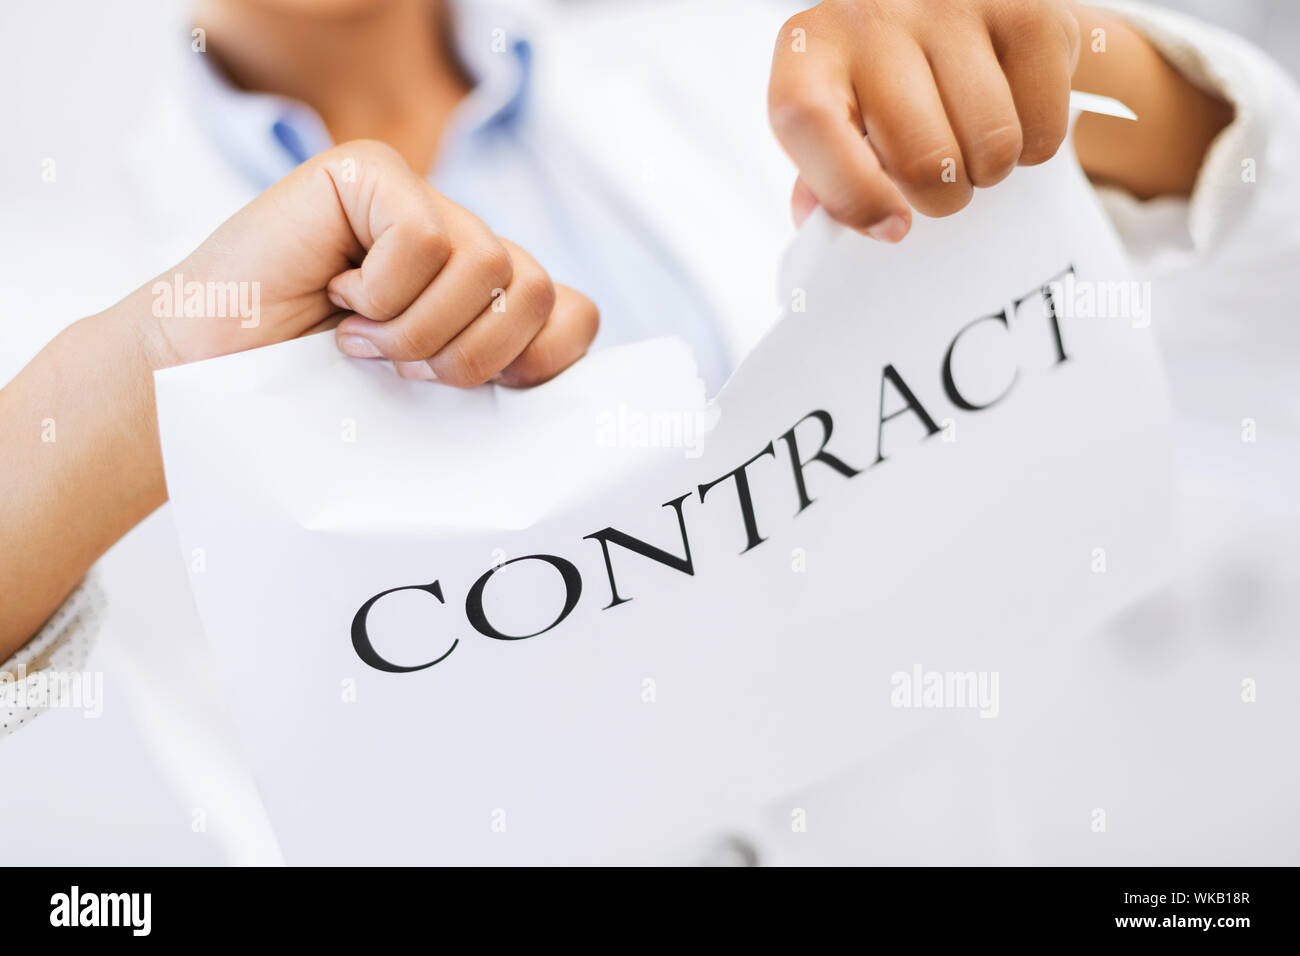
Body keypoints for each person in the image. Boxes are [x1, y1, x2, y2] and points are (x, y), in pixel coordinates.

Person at [2, 0, 1297, 864]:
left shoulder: (739, 45)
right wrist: (151, 365)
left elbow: (1263, 303)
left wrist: (1074, 59)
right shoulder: (59, 290)